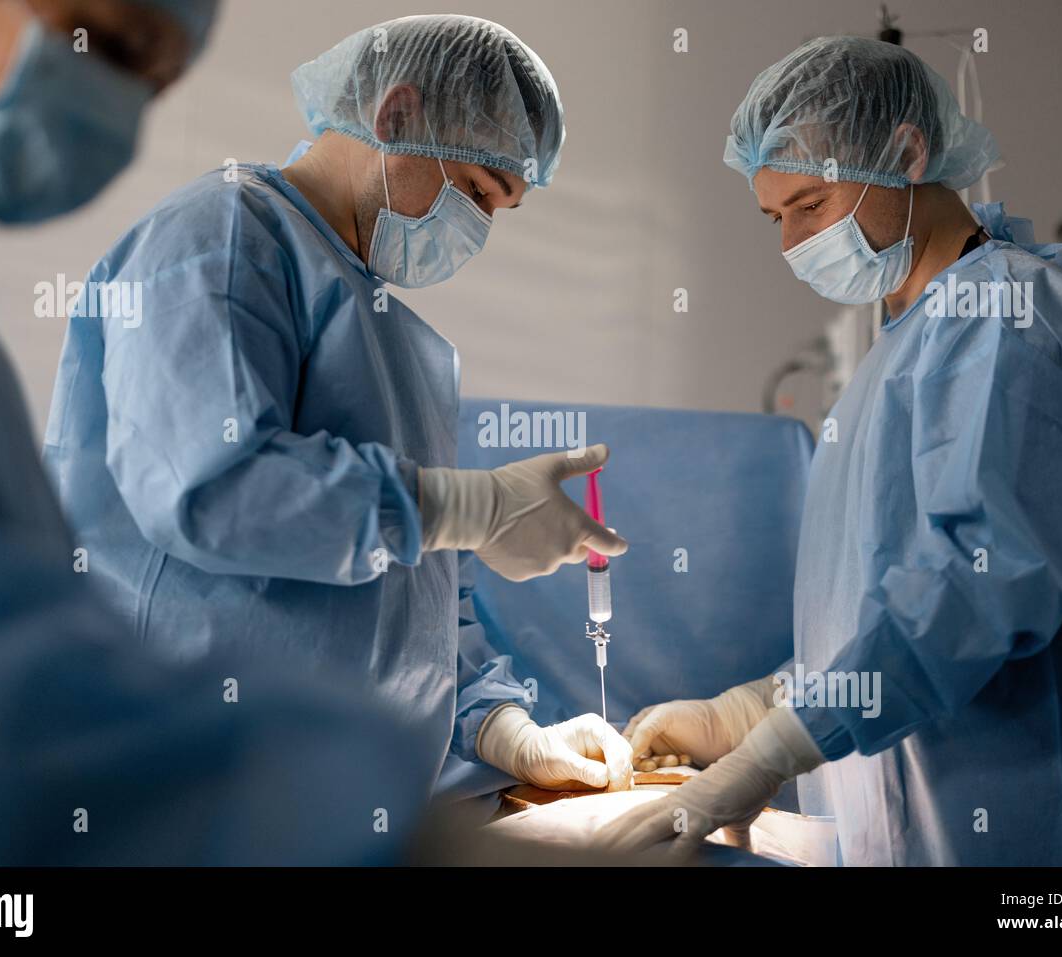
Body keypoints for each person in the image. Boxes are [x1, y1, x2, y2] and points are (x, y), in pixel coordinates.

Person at [599, 35, 1062, 864]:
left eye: (812, 203)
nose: (792, 243)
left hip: (1036, 838)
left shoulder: (1006, 319)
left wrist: (778, 748)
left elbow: (975, 592)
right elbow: (883, 618)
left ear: (907, 152)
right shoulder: (907, 344)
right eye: (775, 217)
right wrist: (752, 711)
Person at [0, 0, 439, 864]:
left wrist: (492, 726)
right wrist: (351, 809)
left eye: (153, 82)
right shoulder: (215, 239)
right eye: (103, 43)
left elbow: (20, 633)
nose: (112, 111)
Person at [41, 15, 632, 794]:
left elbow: (415, 602)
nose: (479, 229)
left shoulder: (401, 346)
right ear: (397, 116)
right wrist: (472, 506)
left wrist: (504, 726)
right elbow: (216, 489)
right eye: (479, 192)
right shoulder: (216, 241)